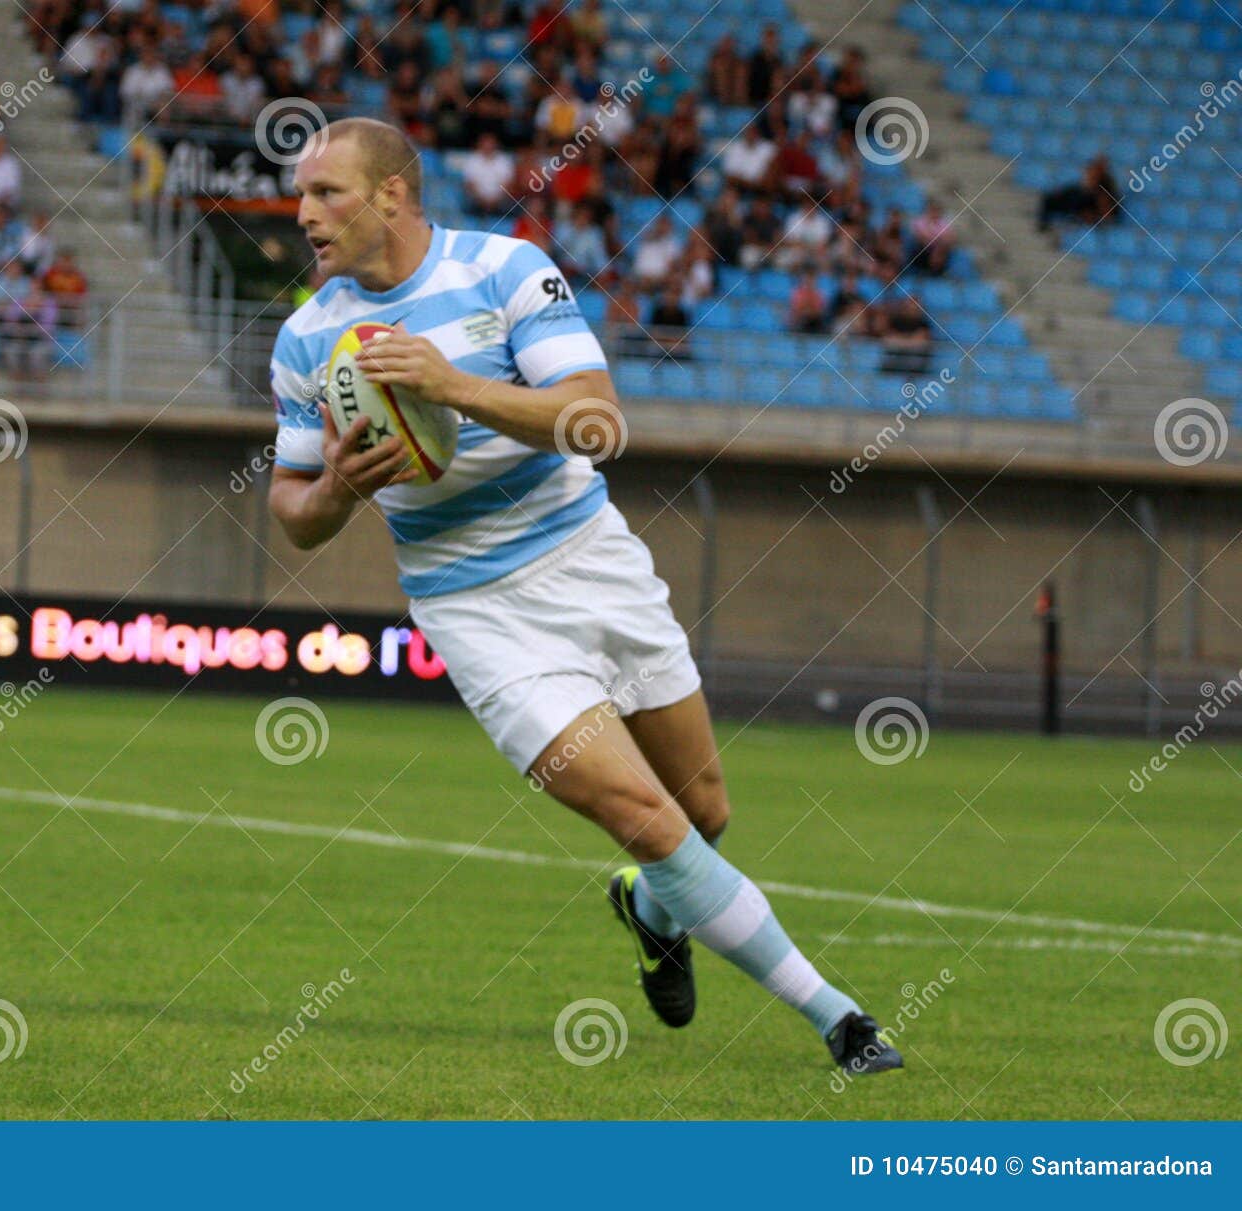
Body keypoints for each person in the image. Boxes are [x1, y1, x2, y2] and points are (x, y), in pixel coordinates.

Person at [266, 117, 902, 1076]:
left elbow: (597, 421)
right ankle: (841, 1020)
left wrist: (450, 385)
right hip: (473, 605)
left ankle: (651, 911)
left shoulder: (508, 270)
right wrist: (338, 490)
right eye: (303, 194)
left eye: (327, 192)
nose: (304, 212)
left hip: (590, 558)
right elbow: (293, 511)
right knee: (645, 817)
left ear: (394, 194)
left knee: (703, 810)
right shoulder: (308, 337)